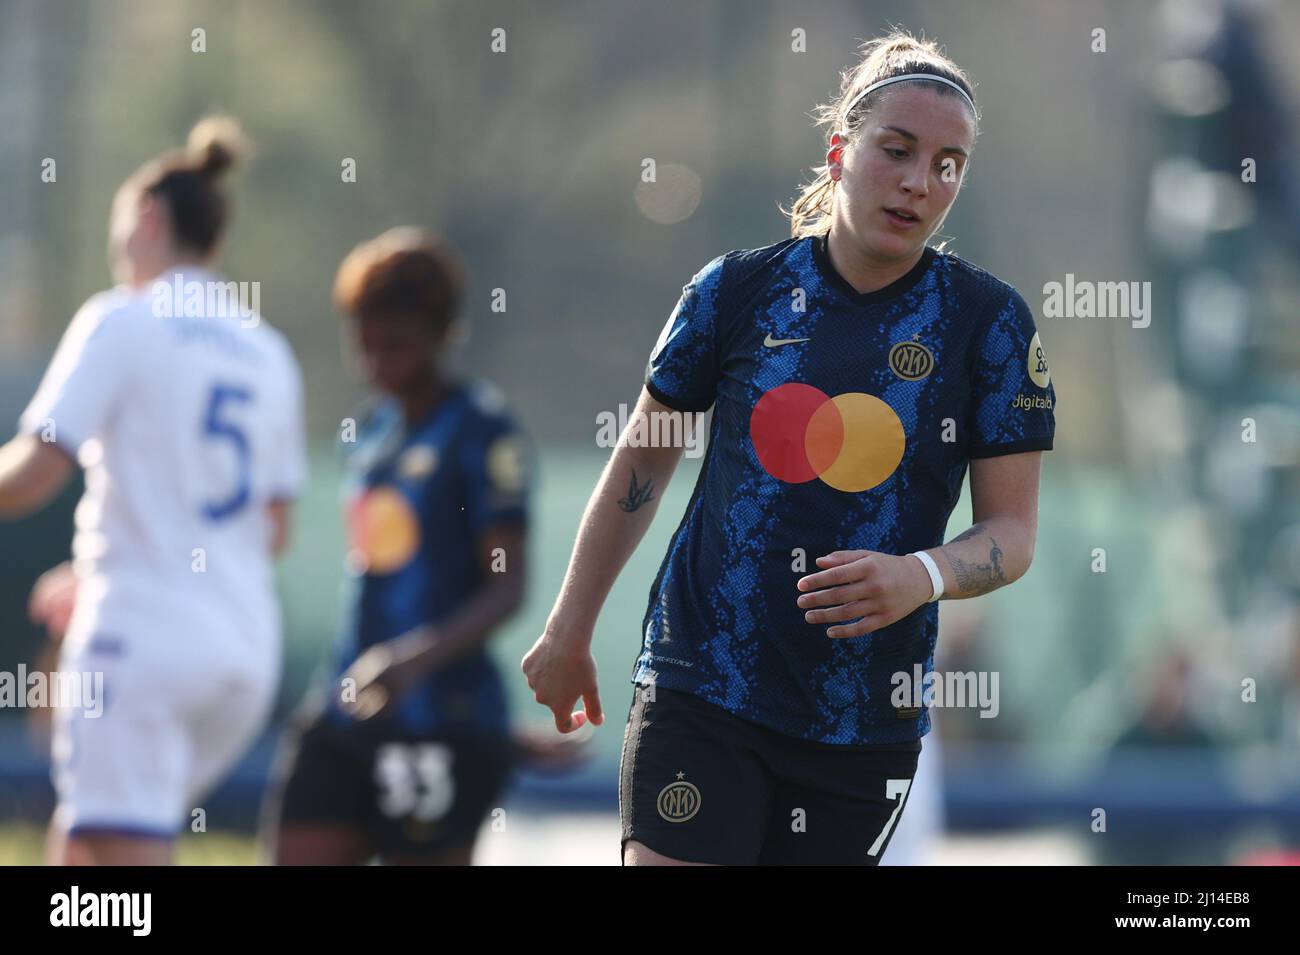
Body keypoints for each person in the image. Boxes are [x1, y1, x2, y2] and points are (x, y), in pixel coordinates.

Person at [522, 31, 1057, 865]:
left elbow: (1014, 536)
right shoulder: (733, 290)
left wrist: (919, 576)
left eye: (948, 163)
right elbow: (640, 467)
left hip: (861, 718)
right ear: (841, 150)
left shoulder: (989, 324)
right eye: (898, 150)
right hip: (702, 684)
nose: (920, 181)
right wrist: (569, 629)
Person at [0, 117, 306, 865]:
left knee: (119, 875)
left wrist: (131, 573)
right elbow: (272, 529)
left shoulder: (122, 320)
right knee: (83, 845)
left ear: (146, 219)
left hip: (142, 646)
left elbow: (31, 477)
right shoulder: (269, 353)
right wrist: (110, 564)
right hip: (242, 657)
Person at [265, 228, 535, 865]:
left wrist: (408, 662)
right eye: (364, 342)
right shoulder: (367, 432)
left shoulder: (483, 432)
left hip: (444, 718)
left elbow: (508, 587)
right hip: (346, 705)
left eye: (395, 344)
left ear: (442, 333)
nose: (375, 362)